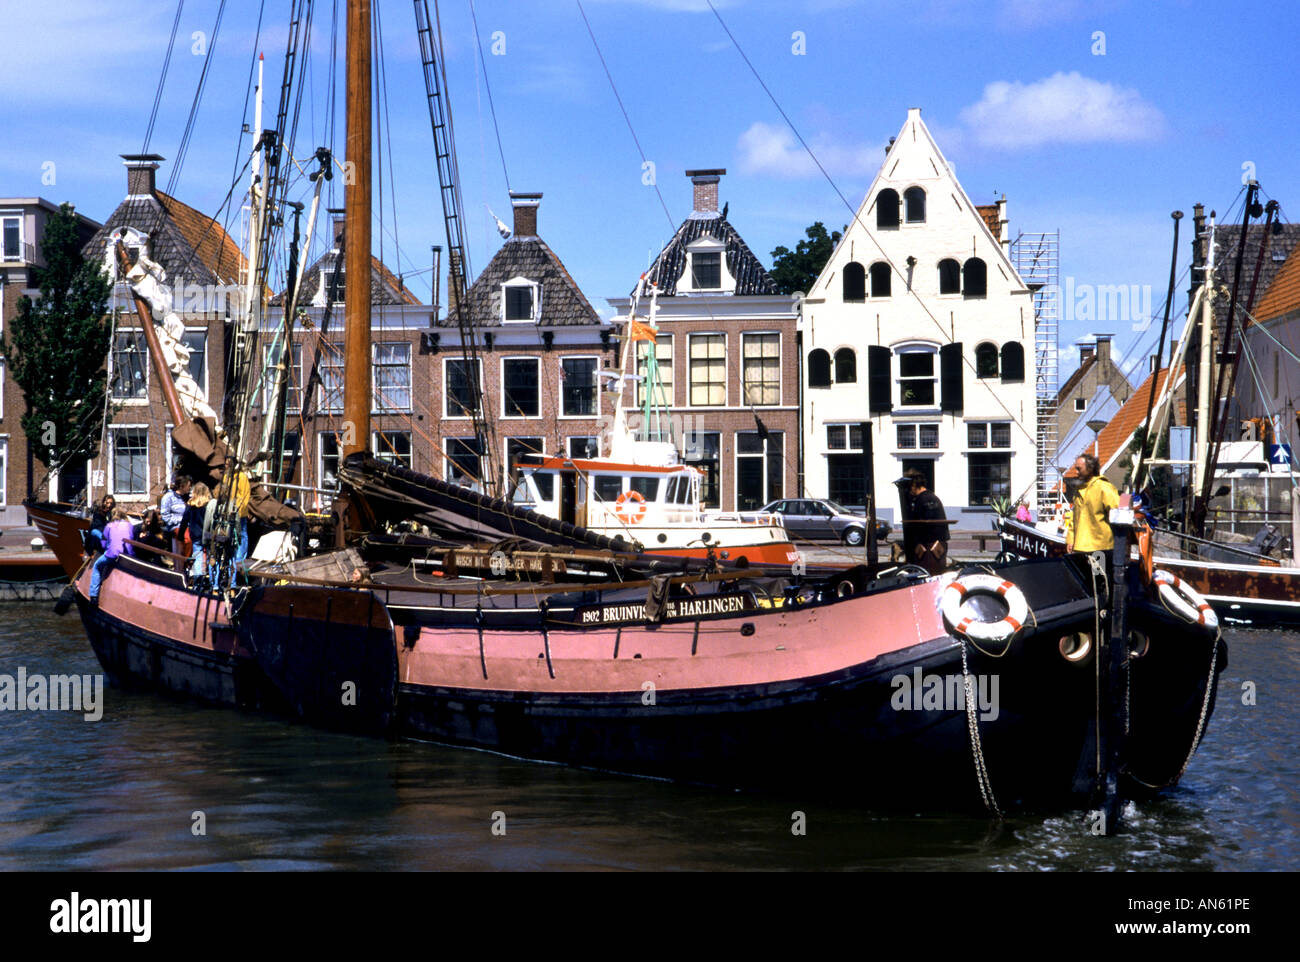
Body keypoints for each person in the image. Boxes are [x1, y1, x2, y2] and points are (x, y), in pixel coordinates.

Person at [1065, 452, 1120, 553]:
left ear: (1090, 469)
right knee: (1081, 569)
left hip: (1100, 548)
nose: (1076, 473)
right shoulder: (1079, 490)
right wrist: (1070, 539)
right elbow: (1074, 518)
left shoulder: (1104, 487)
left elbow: (1119, 513)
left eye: (1079, 469)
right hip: (1080, 547)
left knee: (1098, 570)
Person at [901, 469, 950, 575]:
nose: (909, 491)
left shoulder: (923, 499)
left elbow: (926, 524)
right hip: (936, 545)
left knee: (927, 575)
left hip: (928, 547)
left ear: (914, 485)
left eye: (909, 487)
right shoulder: (931, 497)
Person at [89, 507, 134, 602]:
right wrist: (131, 556)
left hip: (112, 556)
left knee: (97, 566)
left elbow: (104, 544)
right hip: (126, 556)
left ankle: (93, 596)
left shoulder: (109, 526)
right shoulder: (130, 526)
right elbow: (130, 542)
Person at [180, 483, 213, 584]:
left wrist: (180, 534)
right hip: (208, 534)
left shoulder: (190, 505)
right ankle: (212, 580)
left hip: (195, 535)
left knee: (197, 556)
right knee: (211, 556)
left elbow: (184, 521)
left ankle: (198, 579)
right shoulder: (209, 505)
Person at [160, 475, 192, 557]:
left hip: (189, 525)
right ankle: (186, 562)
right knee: (188, 540)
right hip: (176, 526)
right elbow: (165, 516)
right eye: (189, 486)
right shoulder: (168, 497)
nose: (190, 488)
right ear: (182, 486)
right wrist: (180, 520)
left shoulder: (188, 497)